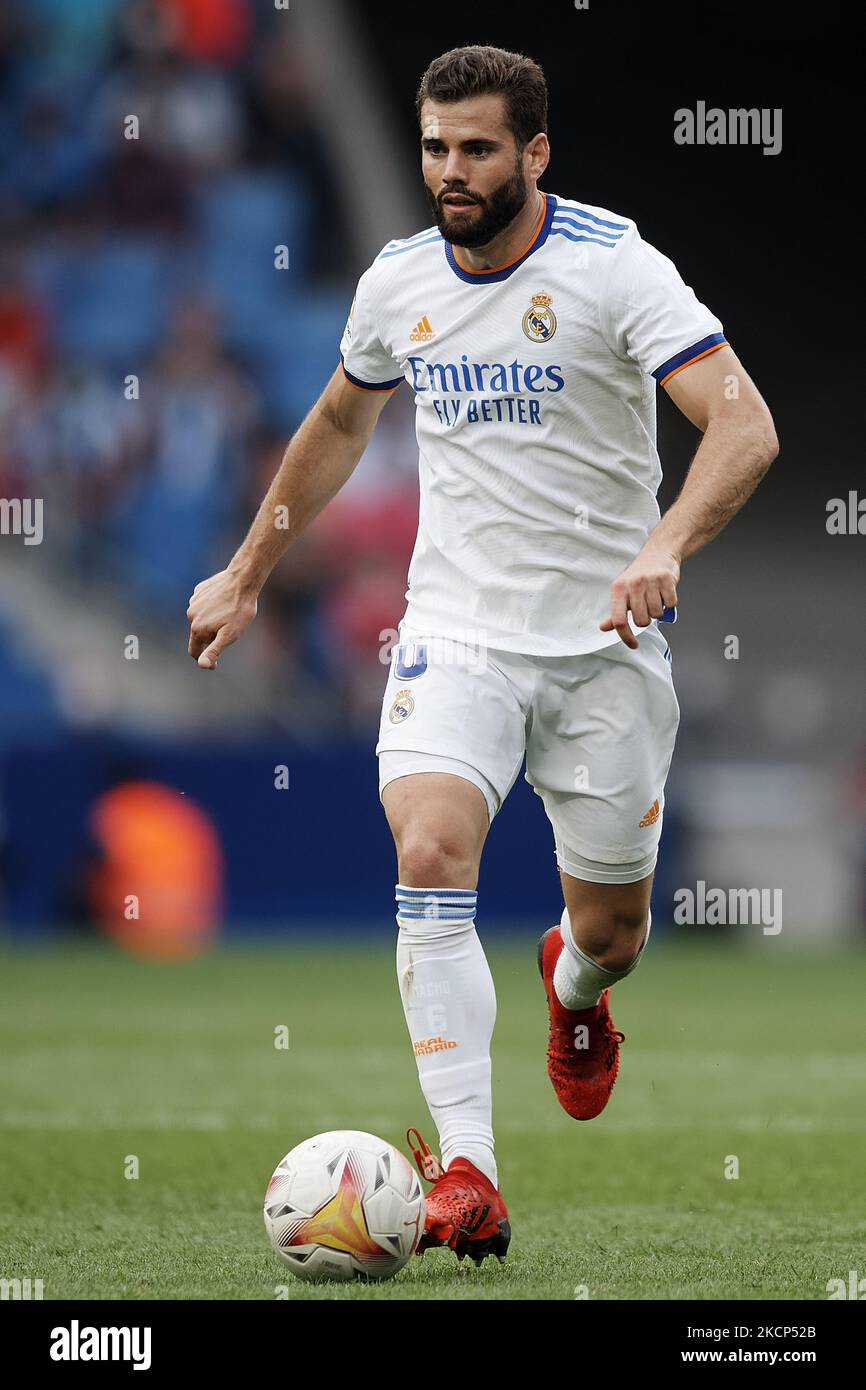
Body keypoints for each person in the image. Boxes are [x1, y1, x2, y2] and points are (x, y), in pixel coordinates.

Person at [186, 45, 778, 1266]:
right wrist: (246, 570)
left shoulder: (616, 269)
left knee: (611, 933)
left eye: (476, 149)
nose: (449, 172)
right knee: (427, 848)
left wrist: (664, 544)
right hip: (454, 632)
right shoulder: (399, 281)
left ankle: (576, 994)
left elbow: (743, 422)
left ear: (534, 153)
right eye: (432, 148)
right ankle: (470, 1173)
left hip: (605, 648)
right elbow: (340, 420)